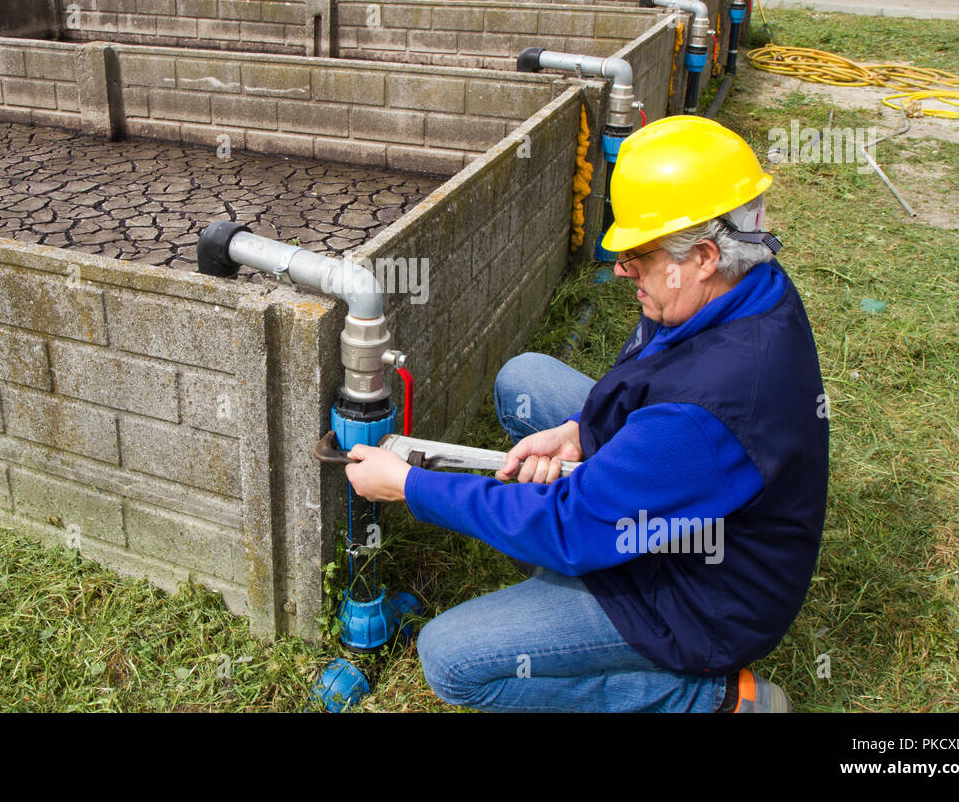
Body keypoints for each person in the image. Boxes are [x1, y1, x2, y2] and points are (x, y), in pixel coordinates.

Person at [345, 115, 829, 713]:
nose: (623, 269)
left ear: (704, 254)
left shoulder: (710, 407)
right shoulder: (742, 280)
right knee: (524, 380)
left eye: (639, 256)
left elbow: (569, 529)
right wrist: (582, 433)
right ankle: (585, 551)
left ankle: (715, 699)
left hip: (699, 595)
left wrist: (413, 487)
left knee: (452, 660)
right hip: (690, 504)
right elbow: (646, 377)